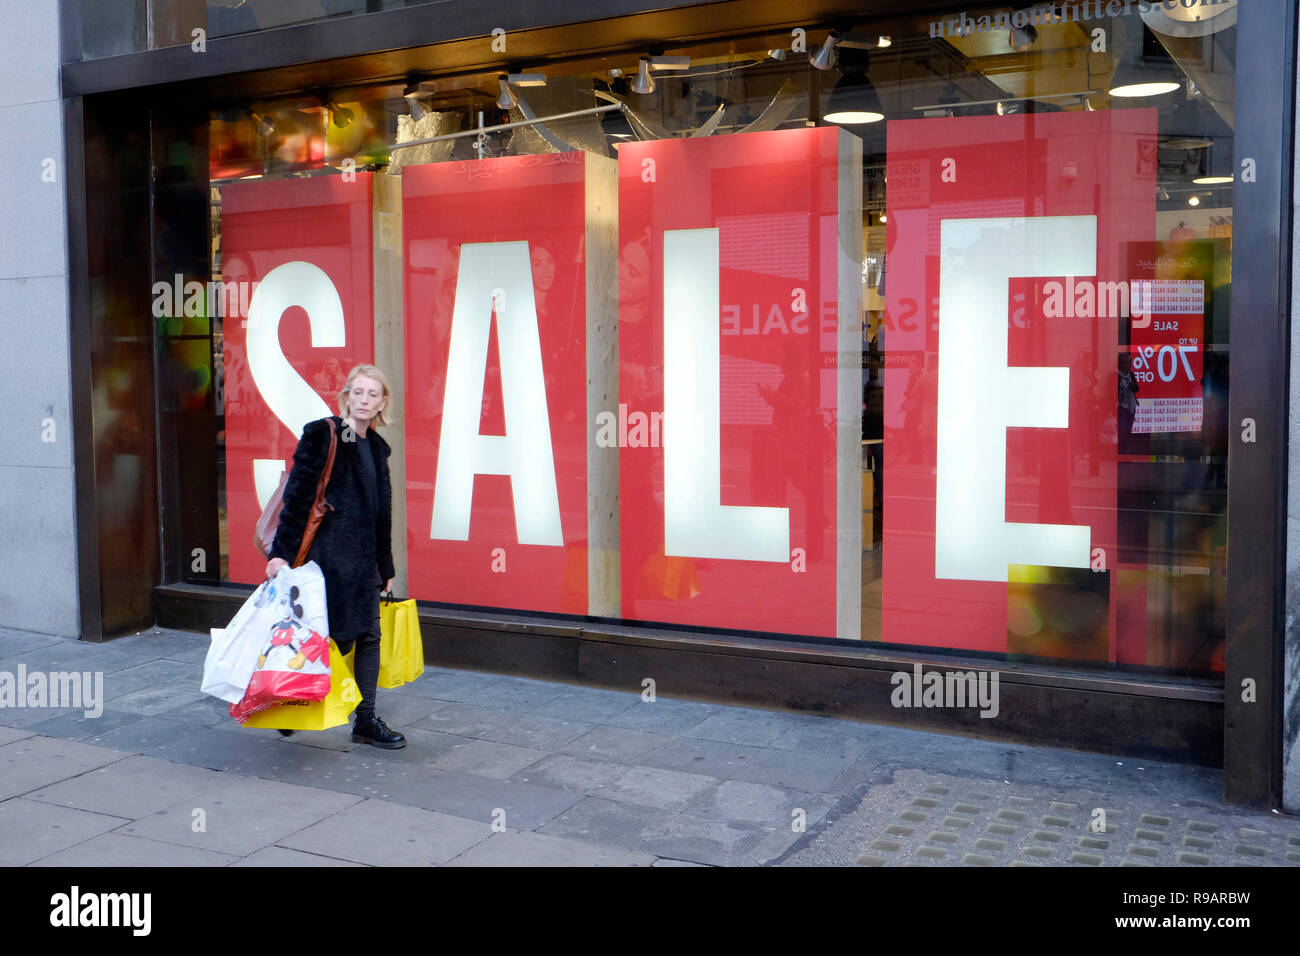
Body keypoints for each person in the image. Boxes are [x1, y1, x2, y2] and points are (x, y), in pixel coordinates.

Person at [265, 363, 406, 748]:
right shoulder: (324, 434)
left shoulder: (377, 448)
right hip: (326, 560)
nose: (364, 400)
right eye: (357, 392)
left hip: (363, 565)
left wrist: (385, 565)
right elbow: (297, 497)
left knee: (369, 635)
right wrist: (281, 555)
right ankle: (290, 702)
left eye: (372, 394)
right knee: (321, 637)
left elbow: (381, 512)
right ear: (346, 396)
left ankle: (365, 720)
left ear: (382, 402)